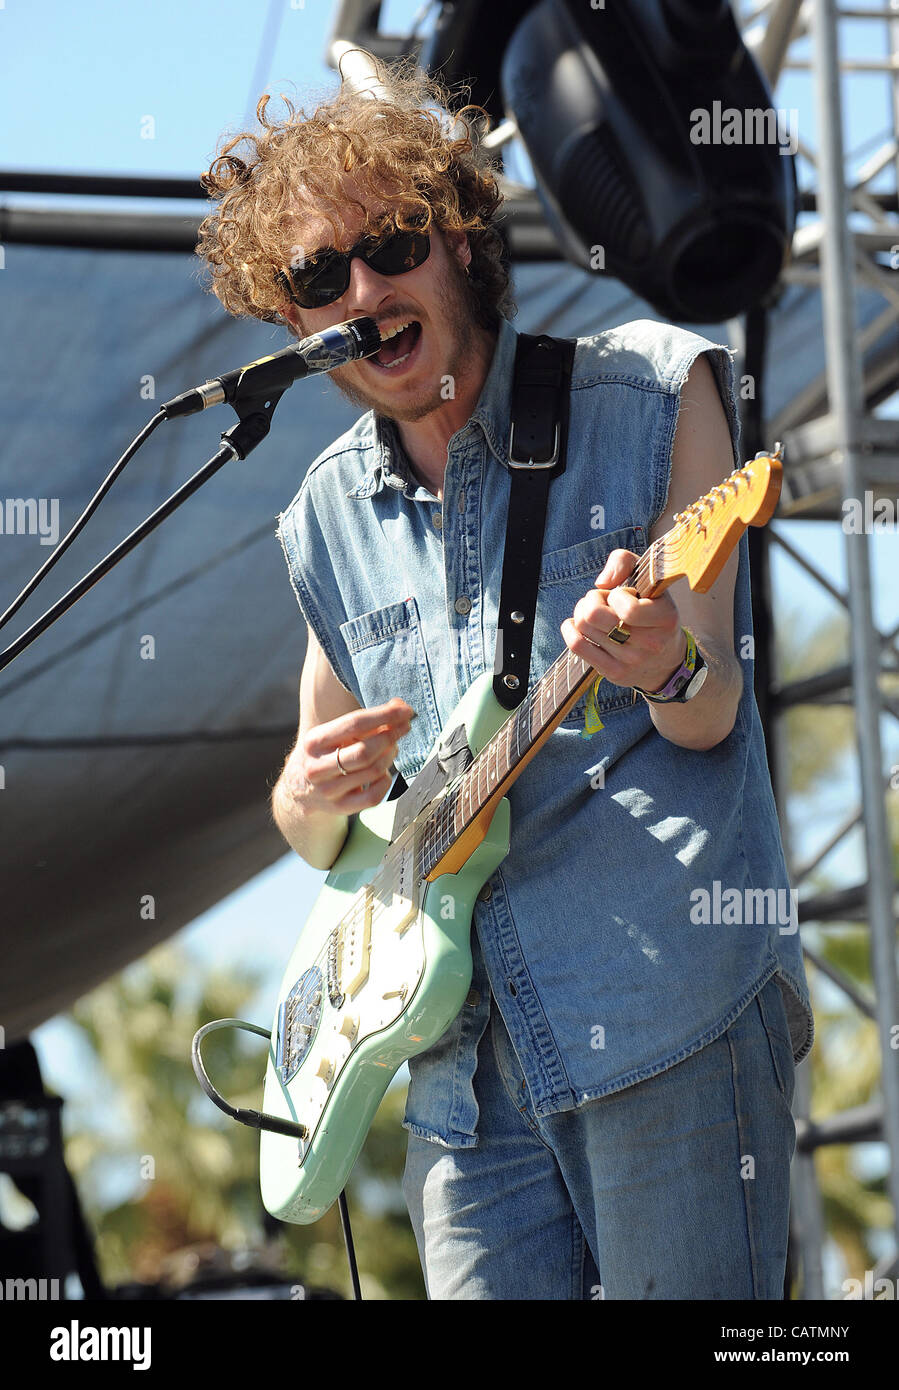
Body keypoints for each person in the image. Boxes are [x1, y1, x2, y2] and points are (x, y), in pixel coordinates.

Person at [197, 55, 813, 1301]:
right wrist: (314, 789)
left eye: (393, 245)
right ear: (297, 326)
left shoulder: (648, 391)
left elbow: (708, 714)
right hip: (453, 1083)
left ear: (458, 241)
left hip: (663, 1019)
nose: (365, 289)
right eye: (322, 278)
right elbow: (312, 821)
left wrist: (662, 659)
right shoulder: (326, 516)